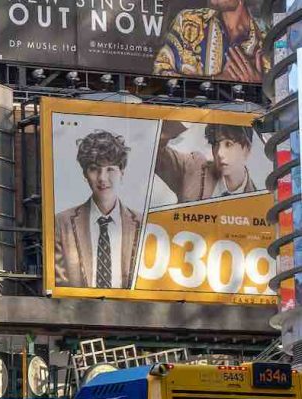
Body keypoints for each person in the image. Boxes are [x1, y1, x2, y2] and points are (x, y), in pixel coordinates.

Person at [54, 130, 143, 290]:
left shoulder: (143, 224)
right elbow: (59, 284)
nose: (102, 178)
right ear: (85, 173)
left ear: (122, 172)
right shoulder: (61, 223)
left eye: (110, 169)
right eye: (94, 169)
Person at [154, 0, 269, 82]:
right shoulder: (189, 21)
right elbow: (158, 77)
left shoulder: (267, 42)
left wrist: (258, 87)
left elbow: (279, 104)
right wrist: (218, 81)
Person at [155, 121, 257, 202]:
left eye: (228, 144)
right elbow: (154, 151)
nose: (219, 153)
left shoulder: (258, 200)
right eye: (215, 144)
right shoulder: (194, 167)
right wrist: (183, 119)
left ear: (246, 149)